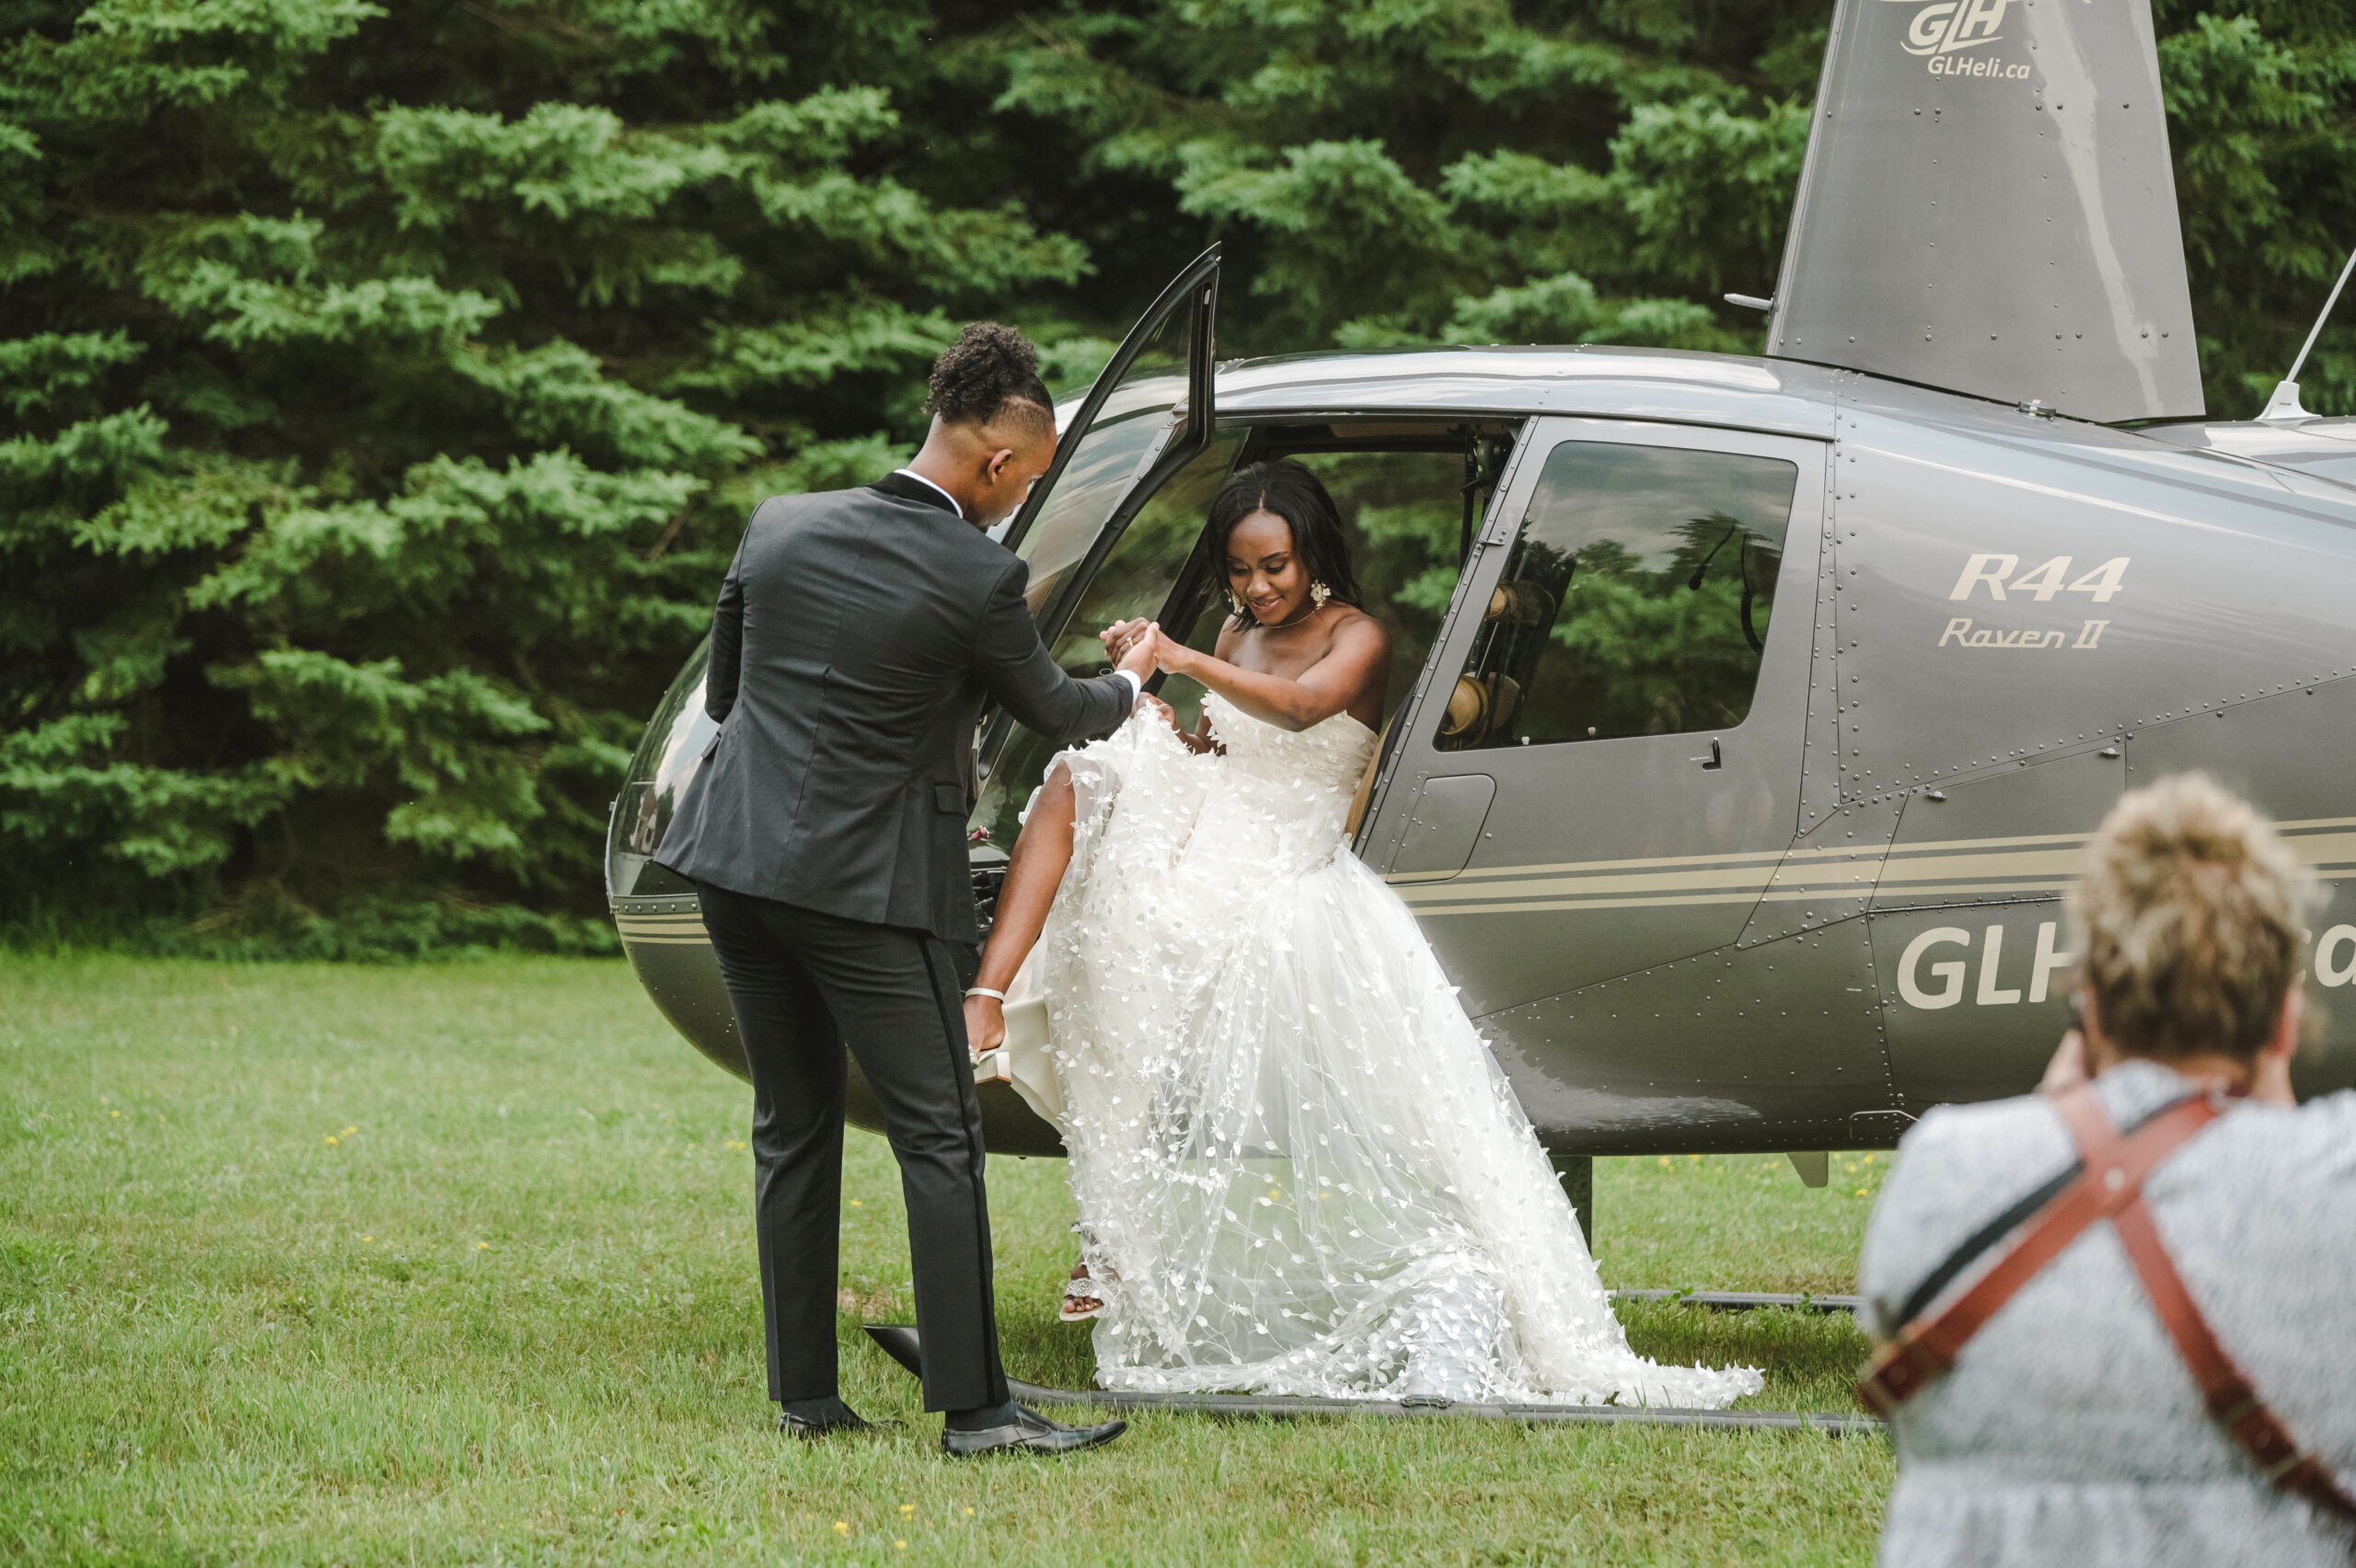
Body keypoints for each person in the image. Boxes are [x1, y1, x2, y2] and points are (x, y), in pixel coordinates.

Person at [962, 459, 1763, 1406]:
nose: (1257, 590)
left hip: (1284, 848)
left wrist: (1178, 657)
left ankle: (1122, 1239)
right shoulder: (1231, 631)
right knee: (1079, 777)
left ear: (1313, 559)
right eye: (1239, 570)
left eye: (1275, 568)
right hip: (1217, 817)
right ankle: (991, 1010)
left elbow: (1302, 712)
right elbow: (1223, 746)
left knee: (1149, 924)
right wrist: (1159, 717)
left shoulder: (1359, 637)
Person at [655, 323, 1153, 1457]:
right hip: (868, 892)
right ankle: (978, 1414)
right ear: (995, 467)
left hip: (733, 868)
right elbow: (1058, 712)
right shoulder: (980, 572)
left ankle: (805, 1399)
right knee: (937, 1136)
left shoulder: (779, 520)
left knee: (791, 1124)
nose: (1020, 500)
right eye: (1024, 481)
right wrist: (1131, 678)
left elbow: (729, 695)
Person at [1859, 774, 2356, 1565]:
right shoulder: (2338, 1182)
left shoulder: (1941, 1169)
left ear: (2086, 1010)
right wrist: (2279, 1127)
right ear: (2285, 1024)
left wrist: (2065, 1128)